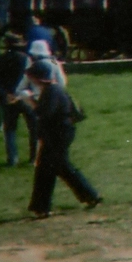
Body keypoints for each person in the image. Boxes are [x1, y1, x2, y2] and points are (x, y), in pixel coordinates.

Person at [24, 59, 101, 218]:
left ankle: (42, 207)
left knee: (47, 169)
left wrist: (30, 102)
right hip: (60, 133)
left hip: (57, 134)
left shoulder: (51, 91)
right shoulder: (55, 89)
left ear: (39, 78)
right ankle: (90, 196)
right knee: (61, 167)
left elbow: (45, 113)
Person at [0, 33, 33, 166]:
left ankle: (12, 158)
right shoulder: (25, 59)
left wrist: (6, 94)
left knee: (10, 129)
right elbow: (29, 78)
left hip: (7, 97)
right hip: (24, 96)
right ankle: (33, 157)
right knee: (33, 127)